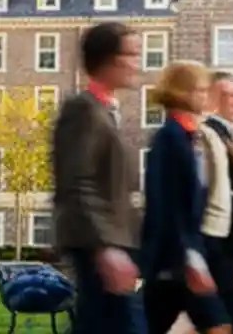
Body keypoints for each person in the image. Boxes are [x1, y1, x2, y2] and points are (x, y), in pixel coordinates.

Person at [52, 22, 145, 333]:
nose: (137, 62)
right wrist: (105, 248)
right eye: (131, 54)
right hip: (98, 250)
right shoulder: (82, 110)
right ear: (109, 59)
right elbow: (77, 183)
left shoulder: (106, 111)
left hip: (113, 247)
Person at [139, 61, 228, 334]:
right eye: (200, 90)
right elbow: (166, 207)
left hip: (179, 261)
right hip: (173, 263)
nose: (205, 96)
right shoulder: (169, 140)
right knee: (219, 327)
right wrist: (190, 258)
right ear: (183, 93)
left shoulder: (189, 138)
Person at [199, 72, 233, 334]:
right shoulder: (209, 134)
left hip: (225, 245)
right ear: (211, 99)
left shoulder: (227, 135)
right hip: (215, 243)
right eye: (228, 95)